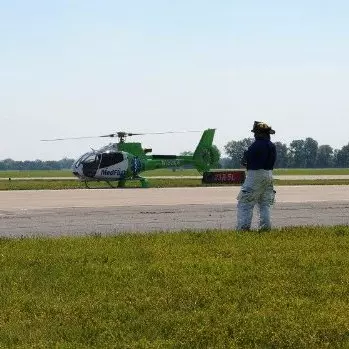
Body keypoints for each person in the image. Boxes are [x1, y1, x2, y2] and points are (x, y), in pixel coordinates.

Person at [236, 121, 277, 231]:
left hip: (255, 175)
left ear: (259, 133)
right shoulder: (272, 146)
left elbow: (244, 162)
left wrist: (246, 156)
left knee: (245, 202)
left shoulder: (255, 145)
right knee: (265, 204)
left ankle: (243, 229)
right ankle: (265, 228)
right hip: (268, 175)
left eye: (256, 132)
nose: (254, 135)